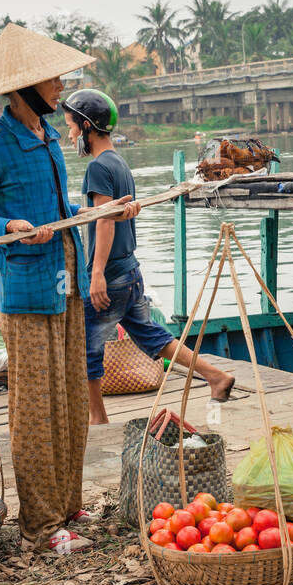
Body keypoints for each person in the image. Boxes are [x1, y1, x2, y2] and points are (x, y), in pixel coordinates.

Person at [0, 24, 141, 555]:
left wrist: (102, 211)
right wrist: (9, 227)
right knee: (35, 406)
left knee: (69, 400)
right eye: (52, 79)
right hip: (27, 290)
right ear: (23, 89)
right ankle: (40, 526)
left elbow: (61, 214)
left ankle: (67, 504)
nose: (61, 86)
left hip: (68, 284)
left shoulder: (50, 138)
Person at [60, 89, 235, 426]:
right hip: (130, 270)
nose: (70, 136)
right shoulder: (118, 162)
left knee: (87, 347)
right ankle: (215, 375)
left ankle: (97, 419)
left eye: (71, 127)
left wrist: (96, 273)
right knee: (154, 337)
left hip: (110, 274)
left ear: (86, 127)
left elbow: (106, 218)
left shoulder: (97, 167)